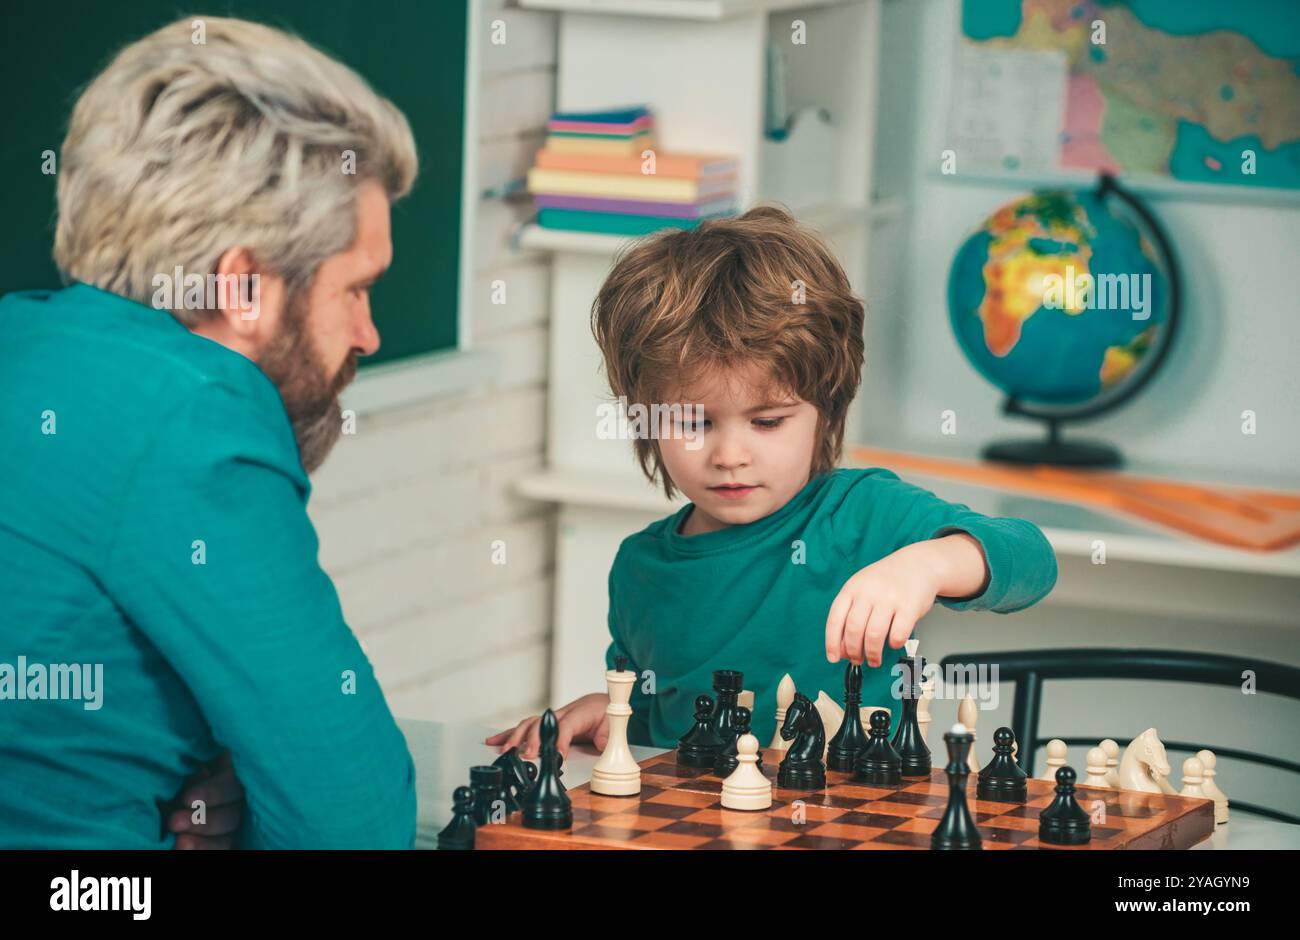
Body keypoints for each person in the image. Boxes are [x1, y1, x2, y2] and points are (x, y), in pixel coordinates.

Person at [0, 16, 418, 848]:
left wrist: (222, 778)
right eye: (356, 289)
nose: (369, 335)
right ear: (245, 286)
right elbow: (353, 819)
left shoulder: (23, 341)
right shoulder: (192, 414)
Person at [490, 205, 1059, 757]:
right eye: (692, 421)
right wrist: (611, 712)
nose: (730, 455)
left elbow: (1031, 560)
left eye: (767, 421)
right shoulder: (639, 570)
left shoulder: (862, 516)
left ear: (825, 411)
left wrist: (930, 564)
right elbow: (667, 718)